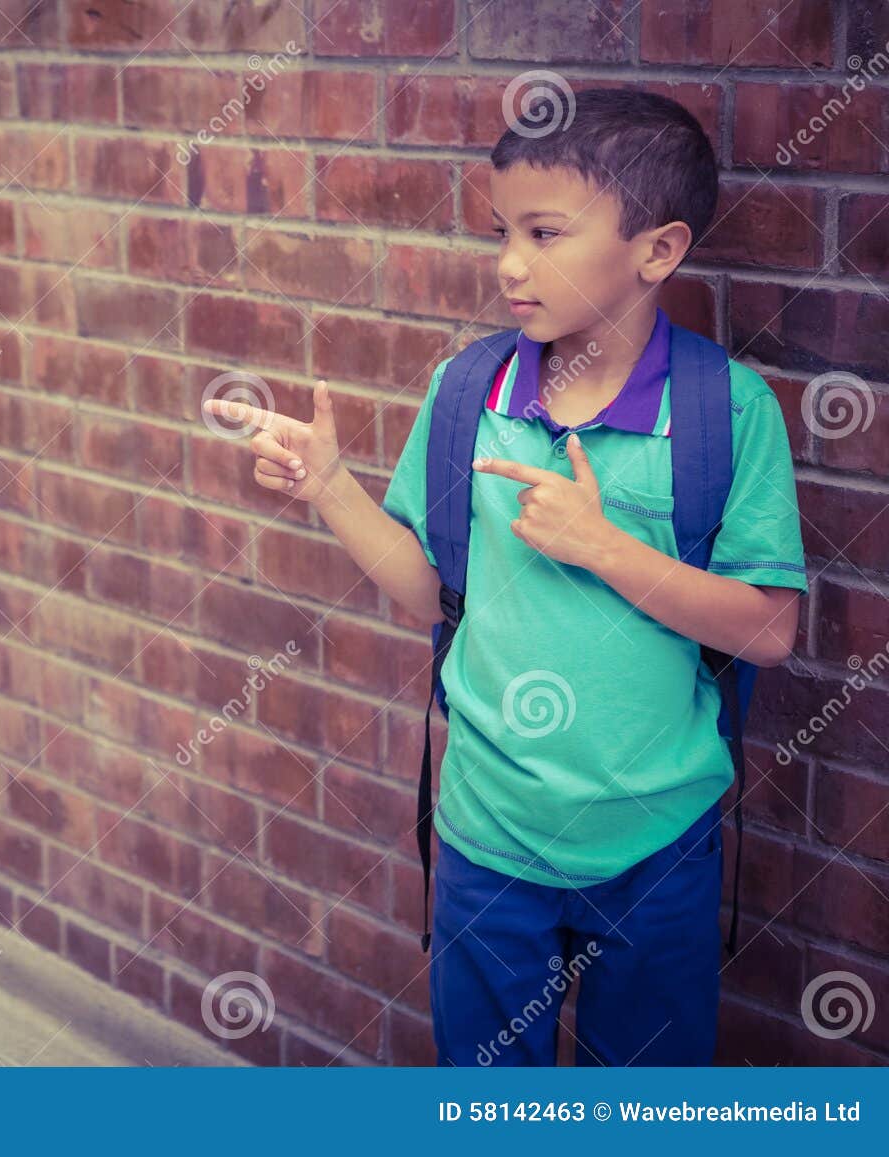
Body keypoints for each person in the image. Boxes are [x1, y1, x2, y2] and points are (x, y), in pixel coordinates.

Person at [203, 88, 806, 1065]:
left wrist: (603, 544)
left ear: (657, 251)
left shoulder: (727, 412)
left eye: (544, 233)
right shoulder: (467, 392)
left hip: (657, 845)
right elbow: (432, 593)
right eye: (502, 232)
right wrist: (328, 487)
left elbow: (769, 630)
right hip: (486, 838)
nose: (510, 264)